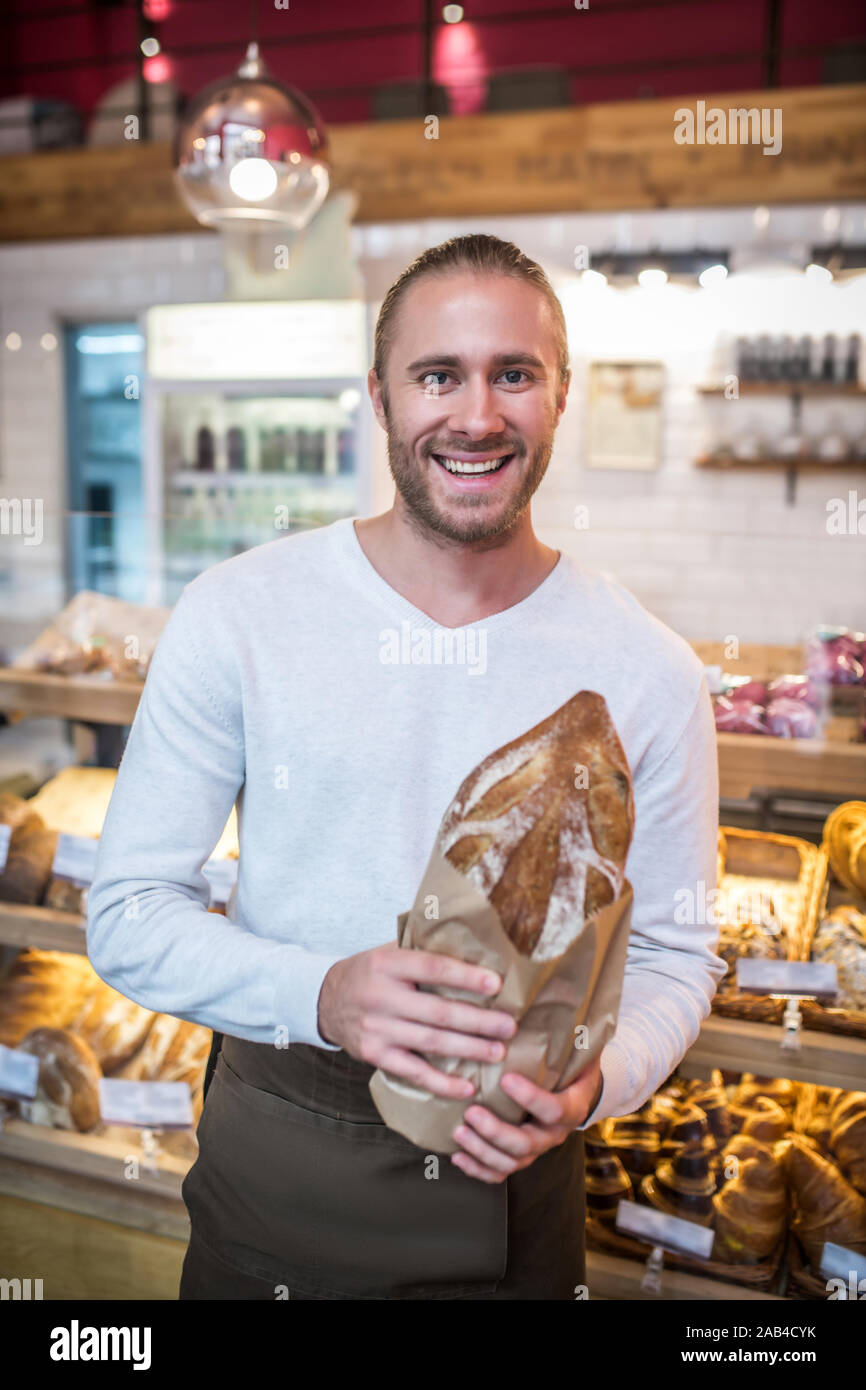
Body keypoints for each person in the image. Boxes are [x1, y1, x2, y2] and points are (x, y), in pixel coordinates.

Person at [87, 233, 724, 1300]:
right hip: (278, 1165)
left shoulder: (646, 668)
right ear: (379, 397)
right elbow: (130, 909)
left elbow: (672, 953)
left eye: (511, 374)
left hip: (517, 1185)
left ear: (559, 394)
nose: (475, 416)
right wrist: (320, 992)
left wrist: (592, 1085)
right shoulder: (242, 613)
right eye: (438, 375)